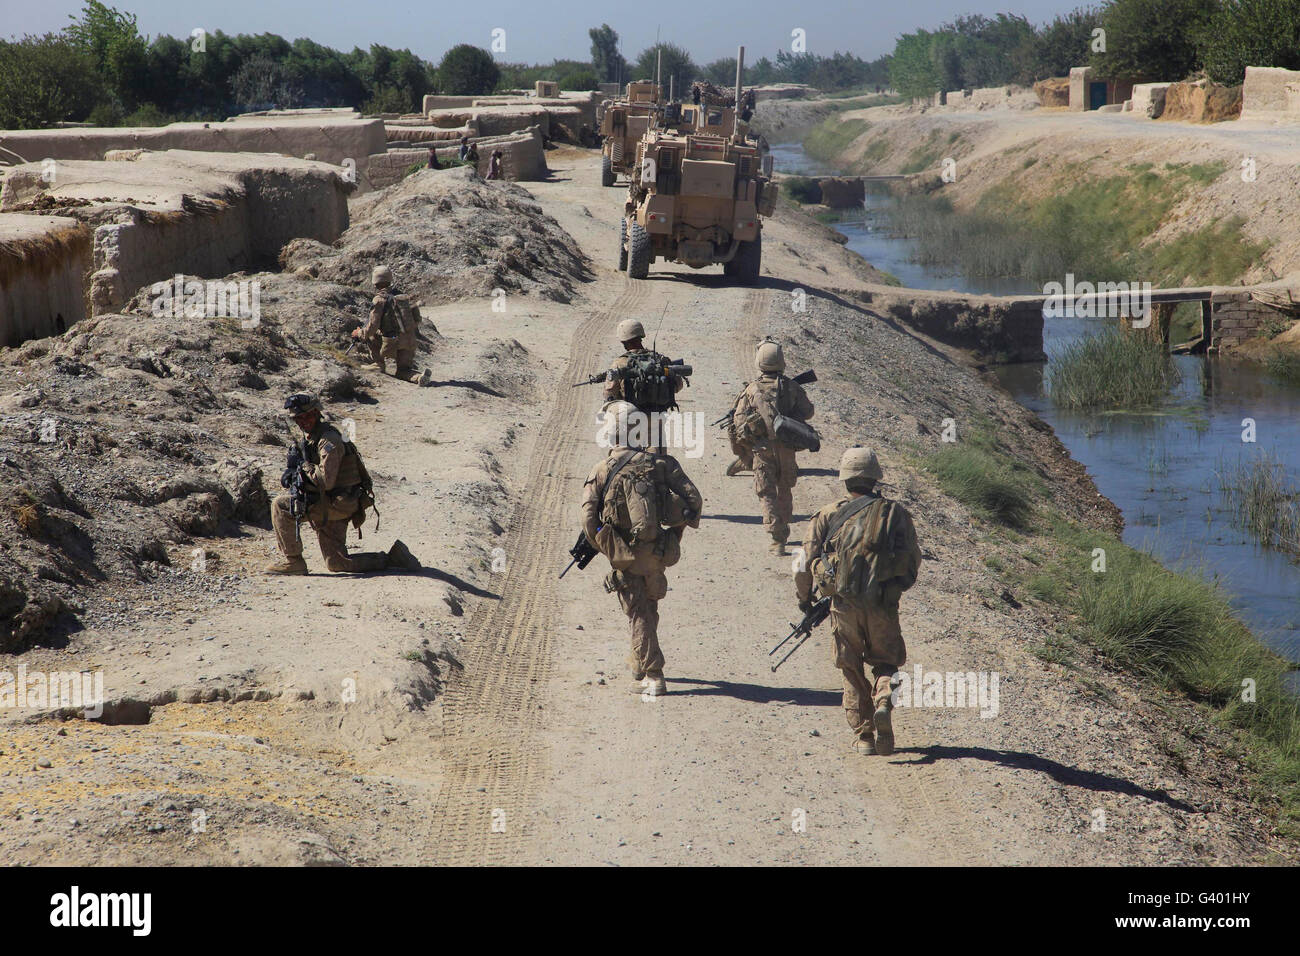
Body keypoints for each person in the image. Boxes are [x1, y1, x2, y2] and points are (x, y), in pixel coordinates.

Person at [794, 448, 921, 755]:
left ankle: (865, 736)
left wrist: (804, 599)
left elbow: (803, 563)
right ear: (875, 478)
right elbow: (913, 560)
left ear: (845, 479)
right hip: (883, 605)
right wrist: (895, 590)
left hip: (843, 606)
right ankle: (883, 697)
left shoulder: (827, 514)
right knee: (886, 661)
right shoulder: (896, 514)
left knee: (850, 667)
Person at [580, 401, 703, 697]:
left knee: (637, 612)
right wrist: (674, 537)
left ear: (611, 433)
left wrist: (607, 545)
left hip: (625, 554)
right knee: (648, 606)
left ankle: (654, 674)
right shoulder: (662, 464)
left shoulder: (601, 470)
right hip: (658, 550)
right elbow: (694, 502)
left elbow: (587, 518)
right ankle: (639, 661)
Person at [264, 394, 418, 576]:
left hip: (337, 503)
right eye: (299, 418)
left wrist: (302, 466)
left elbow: (326, 481)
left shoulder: (329, 440)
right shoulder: (312, 437)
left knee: (281, 506)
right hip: (333, 500)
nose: (303, 421)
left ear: (317, 413)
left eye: (308, 416)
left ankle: (293, 561)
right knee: (337, 563)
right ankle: (392, 558)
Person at [728, 339, 814, 555]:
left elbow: (738, 421)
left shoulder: (751, 389)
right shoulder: (792, 387)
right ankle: (783, 529)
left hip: (762, 449)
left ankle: (777, 538)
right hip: (787, 448)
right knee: (785, 488)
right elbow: (808, 411)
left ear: (759, 363)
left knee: (766, 491)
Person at [601, 319, 686, 413]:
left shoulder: (619, 363)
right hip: (659, 416)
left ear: (624, 342)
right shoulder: (660, 359)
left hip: (631, 417)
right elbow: (678, 385)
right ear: (640, 337)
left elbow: (609, 393)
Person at [351, 265, 419, 381]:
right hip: (409, 340)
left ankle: (378, 364)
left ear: (375, 283)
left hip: (390, 342)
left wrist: (359, 334)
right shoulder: (404, 297)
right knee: (403, 370)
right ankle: (417, 377)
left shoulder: (379, 299)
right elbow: (417, 319)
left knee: (371, 335)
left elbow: (372, 326)